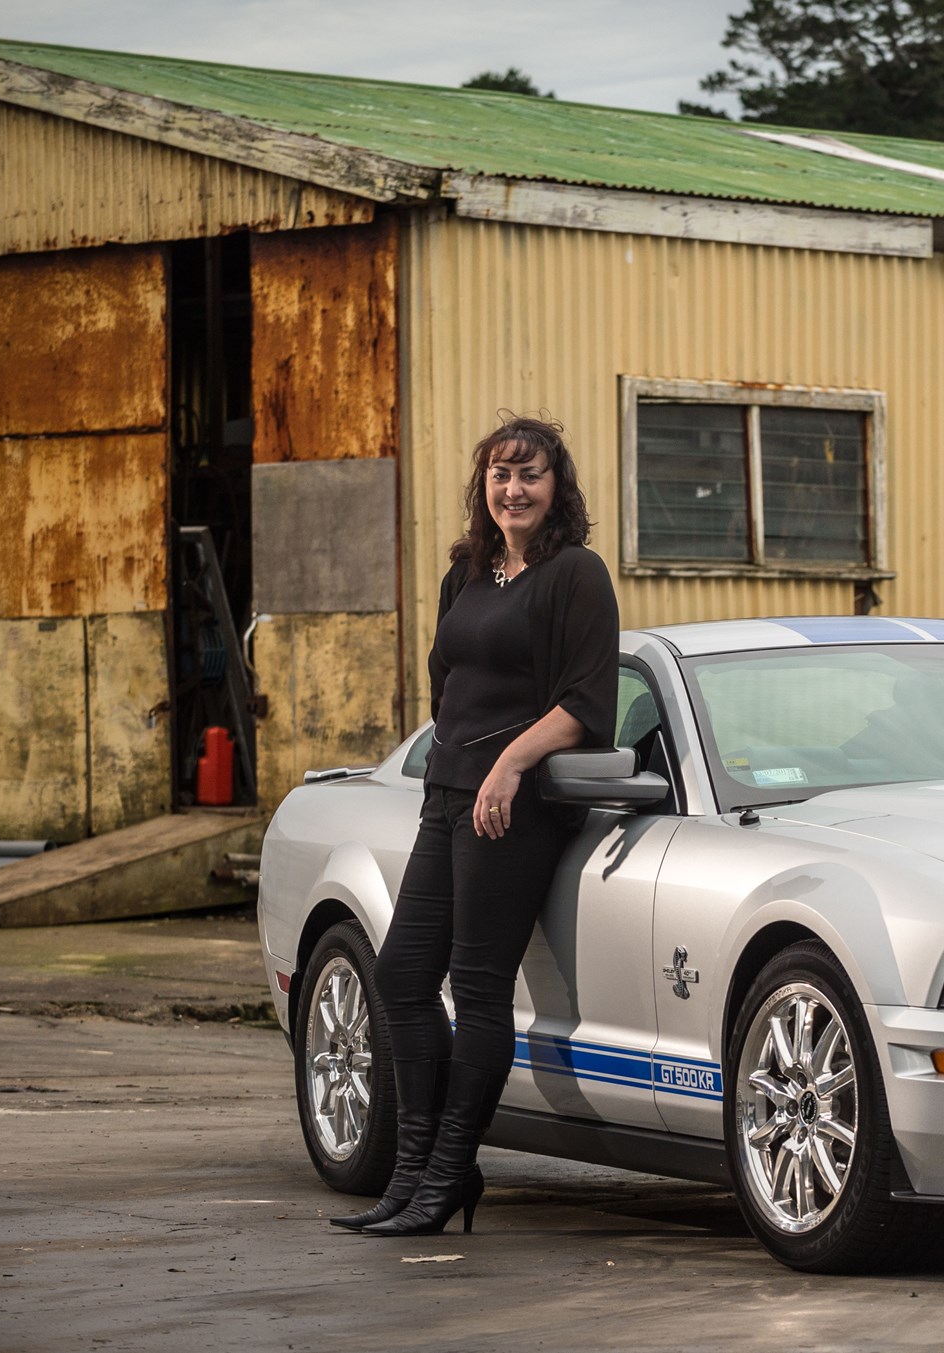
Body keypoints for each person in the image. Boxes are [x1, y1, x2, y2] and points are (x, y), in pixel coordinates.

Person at [330, 415, 617, 1237]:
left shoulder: (576, 576)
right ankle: (419, 1169)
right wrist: (461, 760)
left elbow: (587, 705)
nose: (514, 489)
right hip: (449, 796)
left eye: (530, 474)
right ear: (482, 486)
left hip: (516, 810)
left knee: (481, 986)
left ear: (557, 485)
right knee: (402, 979)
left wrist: (509, 762)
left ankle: (448, 1168)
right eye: (500, 474)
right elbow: (443, 680)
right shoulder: (468, 571)